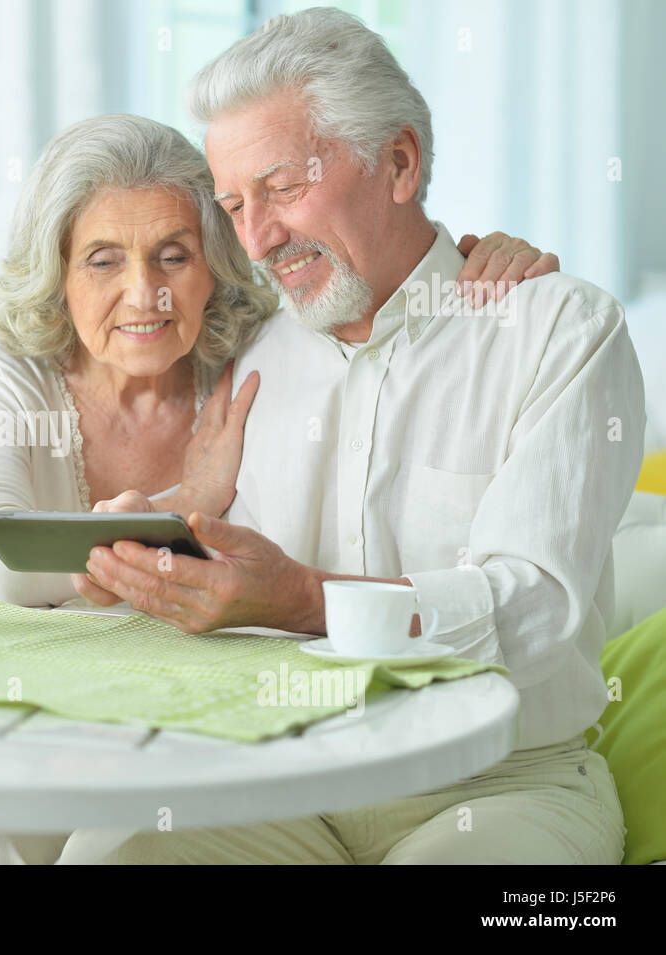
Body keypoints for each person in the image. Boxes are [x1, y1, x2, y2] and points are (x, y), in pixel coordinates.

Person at [74, 7, 644, 864]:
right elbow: (239, 575)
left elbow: (535, 605)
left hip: (502, 781)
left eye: (282, 188)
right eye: (233, 204)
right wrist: (154, 550)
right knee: (107, 854)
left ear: (400, 163)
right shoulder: (258, 351)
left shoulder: (560, 330)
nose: (258, 238)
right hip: (289, 781)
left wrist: (307, 597)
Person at [0, 112, 556, 611]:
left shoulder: (252, 367)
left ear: (217, 267)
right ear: (56, 274)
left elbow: (372, 304)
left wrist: (471, 263)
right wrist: (189, 500)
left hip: (143, 720)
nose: (146, 294)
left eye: (174, 255)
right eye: (103, 260)